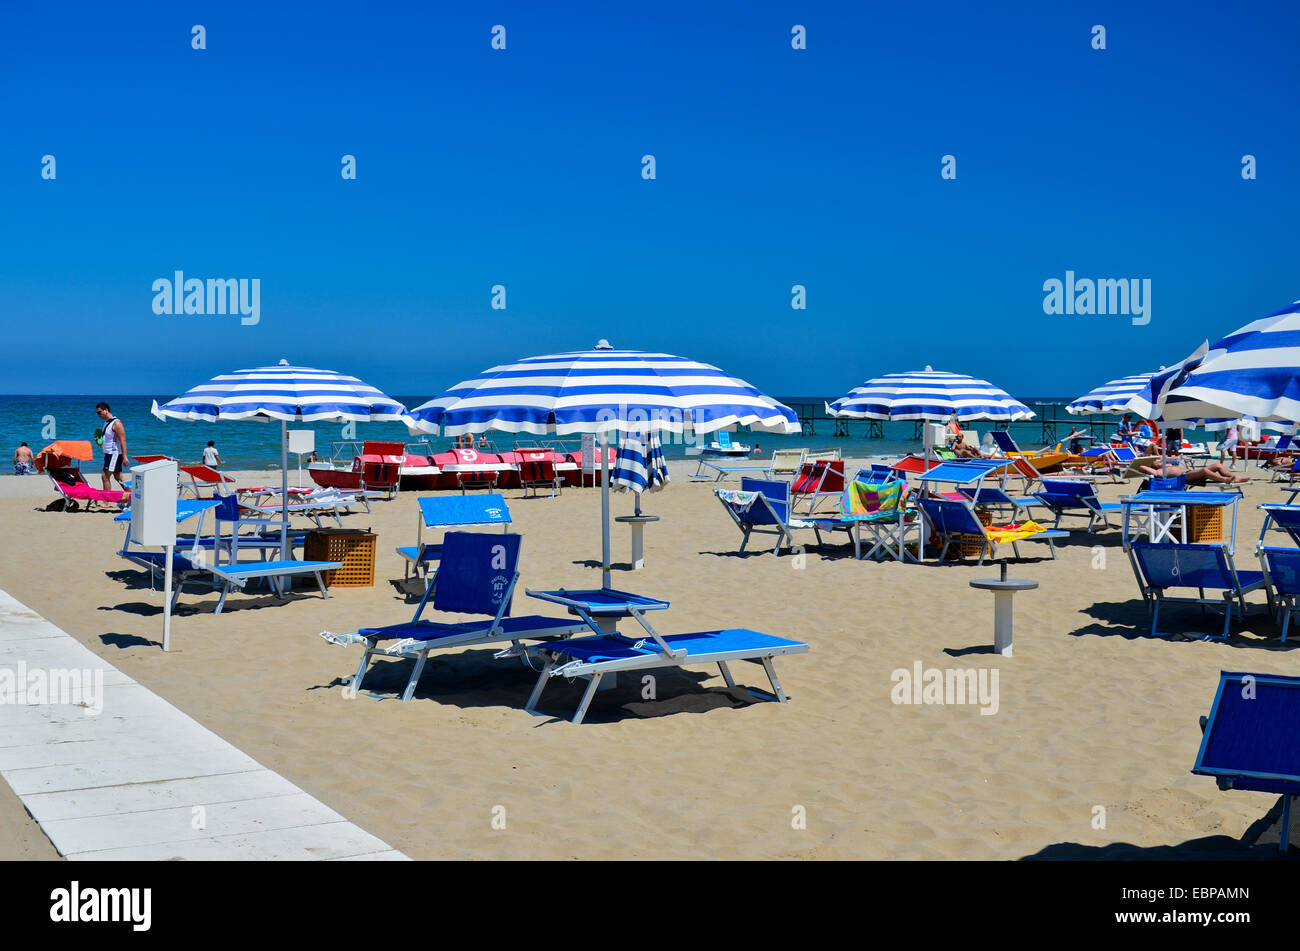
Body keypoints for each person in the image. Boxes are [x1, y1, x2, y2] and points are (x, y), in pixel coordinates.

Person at [95, 402, 128, 491]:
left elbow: (123, 440)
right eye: (97, 413)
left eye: (99, 412)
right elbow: (108, 439)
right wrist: (100, 443)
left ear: (106, 410)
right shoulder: (106, 423)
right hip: (109, 454)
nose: (98, 415)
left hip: (114, 454)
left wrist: (125, 457)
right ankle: (132, 494)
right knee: (118, 477)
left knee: (105, 477)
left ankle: (106, 502)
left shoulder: (117, 423)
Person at [1137, 460, 1248, 485]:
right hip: (1185, 477)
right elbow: (1141, 467)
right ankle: (1225, 480)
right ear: (1153, 466)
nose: (1160, 461)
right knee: (1204, 470)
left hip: (1192, 472)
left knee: (1217, 465)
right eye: (1157, 461)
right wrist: (1143, 465)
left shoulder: (1167, 466)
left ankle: (1235, 477)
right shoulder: (1158, 471)